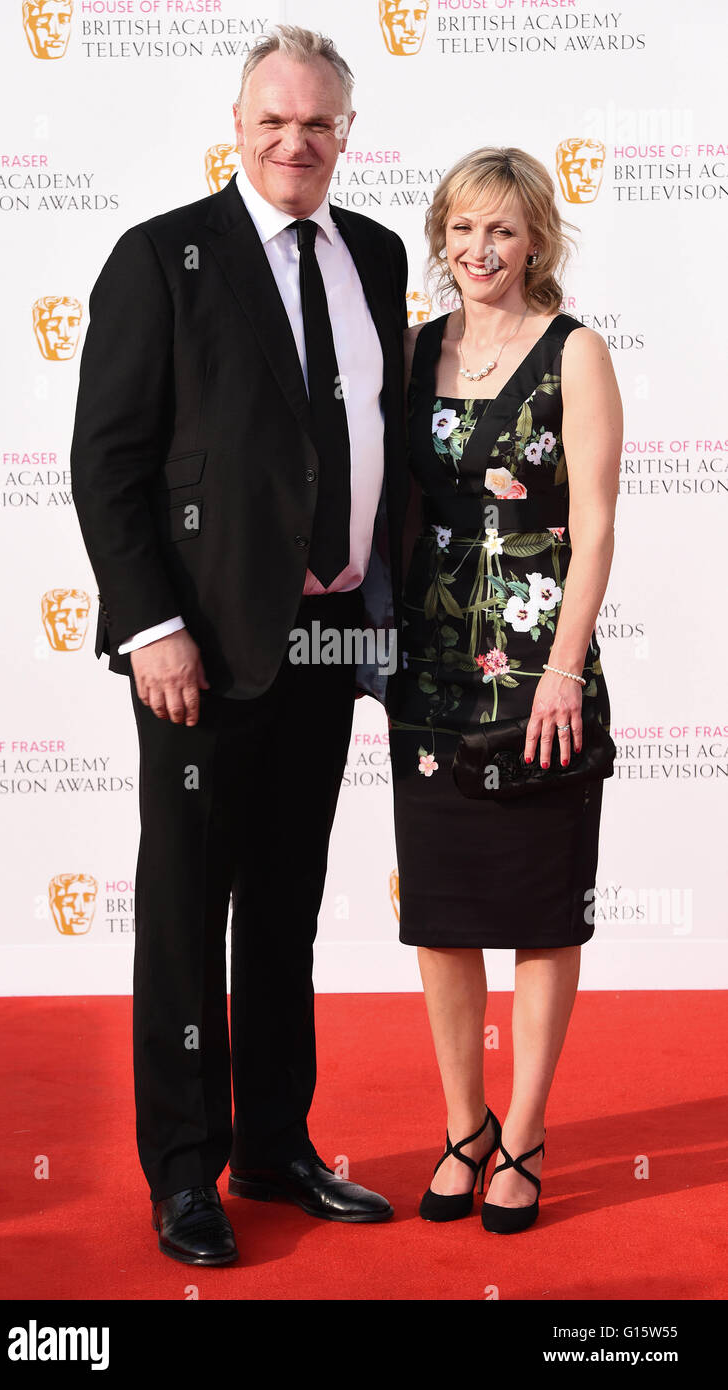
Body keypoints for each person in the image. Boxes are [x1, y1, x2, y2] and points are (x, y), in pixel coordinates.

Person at [70, 24, 409, 1265]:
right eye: (273, 119)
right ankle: (183, 1175)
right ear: (237, 123)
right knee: (183, 910)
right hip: (200, 654)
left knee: (285, 903)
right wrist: (150, 625)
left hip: (327, 636)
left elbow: (373, 435)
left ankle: (274, 1139)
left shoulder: (373, 255)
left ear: (345, 134)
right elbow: (106, 464)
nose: (294, 141)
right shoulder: (164, 258)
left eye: (317, 122)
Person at [387, 147, 622, 1233]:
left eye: (501, 232)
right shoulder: (413, 348)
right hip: (429, 668)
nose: (477, 251)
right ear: (441, 236)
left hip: (538, 670)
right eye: (462, 229)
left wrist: (565, 666)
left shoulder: (573, 353)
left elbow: (596, 526)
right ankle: (462, 1126)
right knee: (439, 917)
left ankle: (522, 1134)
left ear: (535, 243)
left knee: (534, 907)